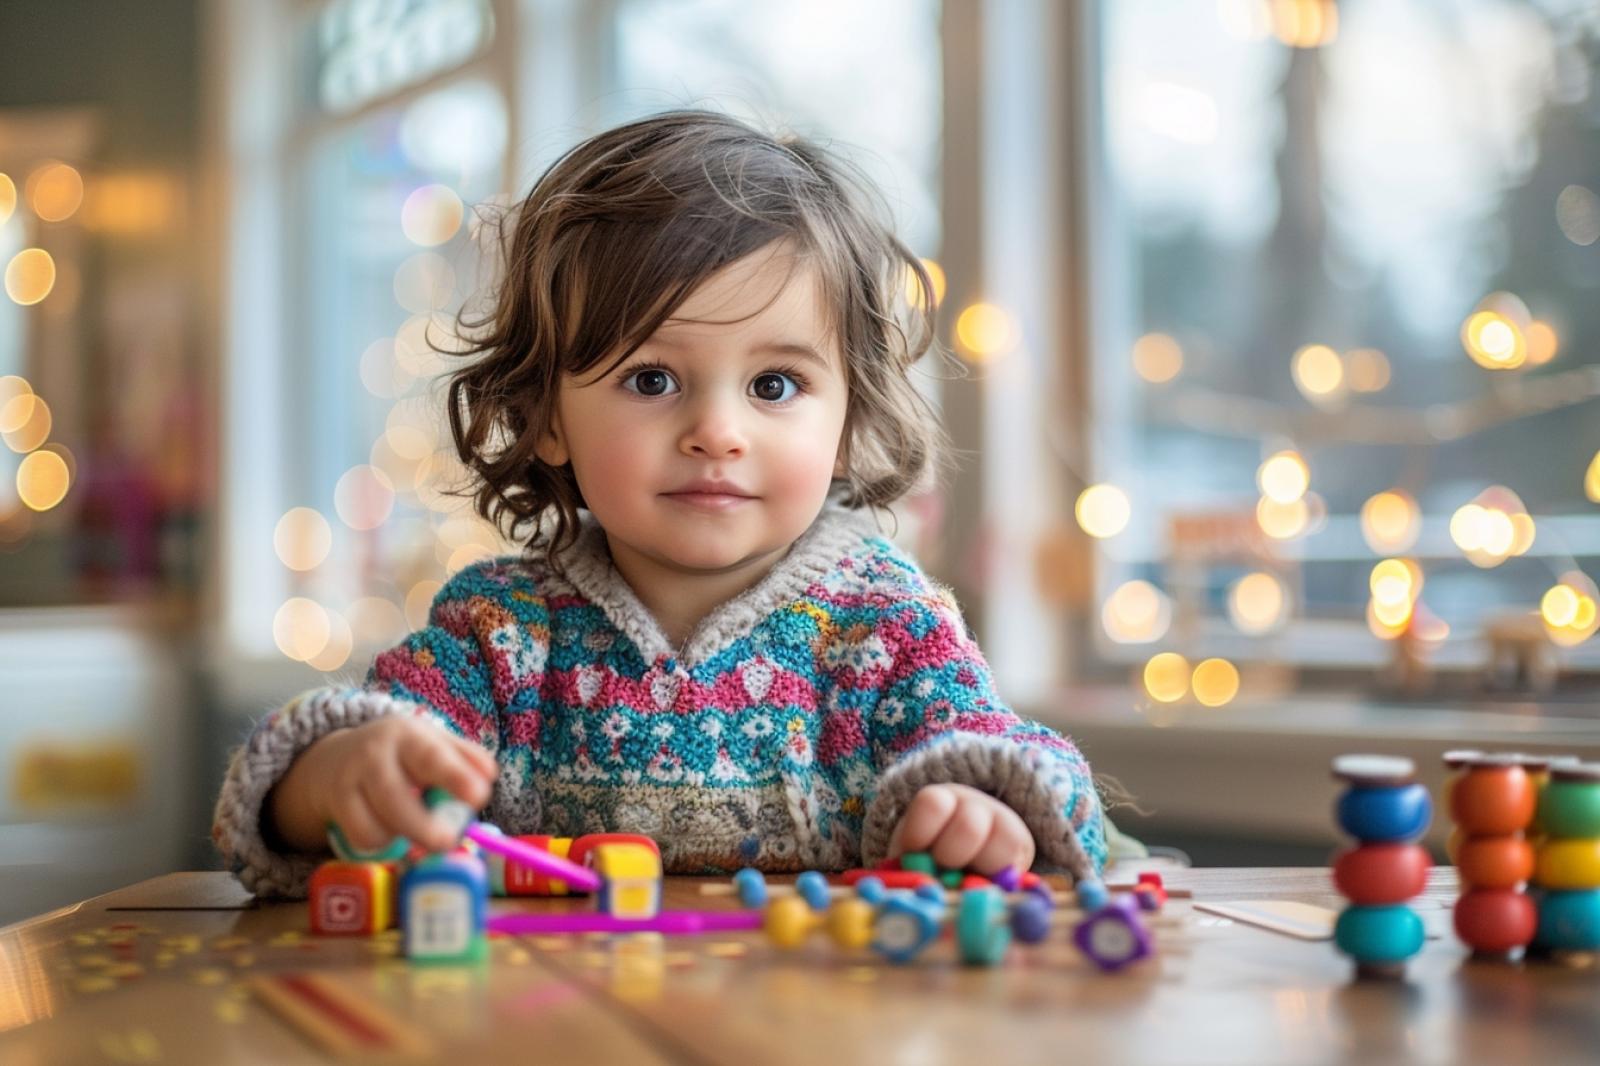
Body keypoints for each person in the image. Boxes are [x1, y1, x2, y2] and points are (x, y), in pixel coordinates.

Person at [213, 110, 1107, 898]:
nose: (717, 430)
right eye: (652, 378)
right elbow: (321, 772)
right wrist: (333, 780)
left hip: (823, 1025)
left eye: (775, 384)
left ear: (848, 420)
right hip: (555, 1025)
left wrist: (987, 809)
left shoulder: (889, 625)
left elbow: (1029, 770)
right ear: (545, 418)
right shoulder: (501, 631)